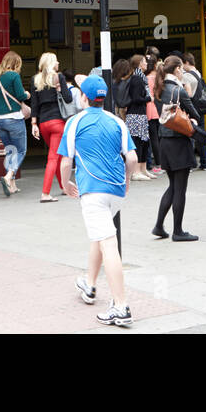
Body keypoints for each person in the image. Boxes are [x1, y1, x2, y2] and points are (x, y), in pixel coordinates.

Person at [59, 73, 137, 327]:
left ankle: (121, 305)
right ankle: (89, 285)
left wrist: (65, 183)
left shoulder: (75, 122)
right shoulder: (117, 121)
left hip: (92, 190)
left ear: (84, 97)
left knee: (108, 244)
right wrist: (127, 180)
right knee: (100, 236)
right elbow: (133, 158)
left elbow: (66, 161)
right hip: (115, 191)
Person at [152, 54, 201, 241]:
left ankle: (159, 226)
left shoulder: (159, 88)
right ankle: (178, 231)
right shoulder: (178, 91)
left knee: (172, 186)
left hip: (164, 140)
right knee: (180, 188)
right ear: (178, 69)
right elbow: (195, 113)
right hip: (179, 142)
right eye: (180, 68)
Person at [30, 51, 73, 202]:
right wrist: (61, 90)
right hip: (57, 123)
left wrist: (33, 124)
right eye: (56, 61)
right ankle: (45, 193)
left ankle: (63, 187)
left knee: (57, 155)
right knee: (54, 158)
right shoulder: (58, 77)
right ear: (51, 63)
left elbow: (34, 104)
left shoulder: (35, 79)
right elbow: (68, 99)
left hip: (43, 123)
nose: (58, 63)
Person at [0, 51, 30, 196]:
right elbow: (20, 95)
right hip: (13, 118)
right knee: (21, 150)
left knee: (10, 150)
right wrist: (27, 94)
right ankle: (8, 176)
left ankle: (12, 184)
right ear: (16, 63)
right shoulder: (14, 76)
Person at [115, 54, 153, 180]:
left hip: (139, 114)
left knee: (144, 142)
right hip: (136, 114)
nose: (147, 64)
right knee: (138, 142)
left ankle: (143, 169)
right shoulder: (137, 79)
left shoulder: (138, 78)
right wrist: (148, 98)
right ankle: (136, 171)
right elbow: (136, 98)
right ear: (139, 64)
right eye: (144, 61)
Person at [181, 53, 206, 170]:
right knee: (201, 134)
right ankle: (205, 163)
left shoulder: (187, 76)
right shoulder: (198, 73)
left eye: (183, 64)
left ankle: (191, 164)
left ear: (187, 63)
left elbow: (188, 94)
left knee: (190, 135)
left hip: (193, 109)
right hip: (201, 109)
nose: (182, 67)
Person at [143, 53, 164, 176]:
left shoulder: (146, 79)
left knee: (153, 138)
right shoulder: (159, 77)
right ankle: (161, 162)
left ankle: (158, 164)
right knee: (159, 137)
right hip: (159, 108)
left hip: (149, 108)